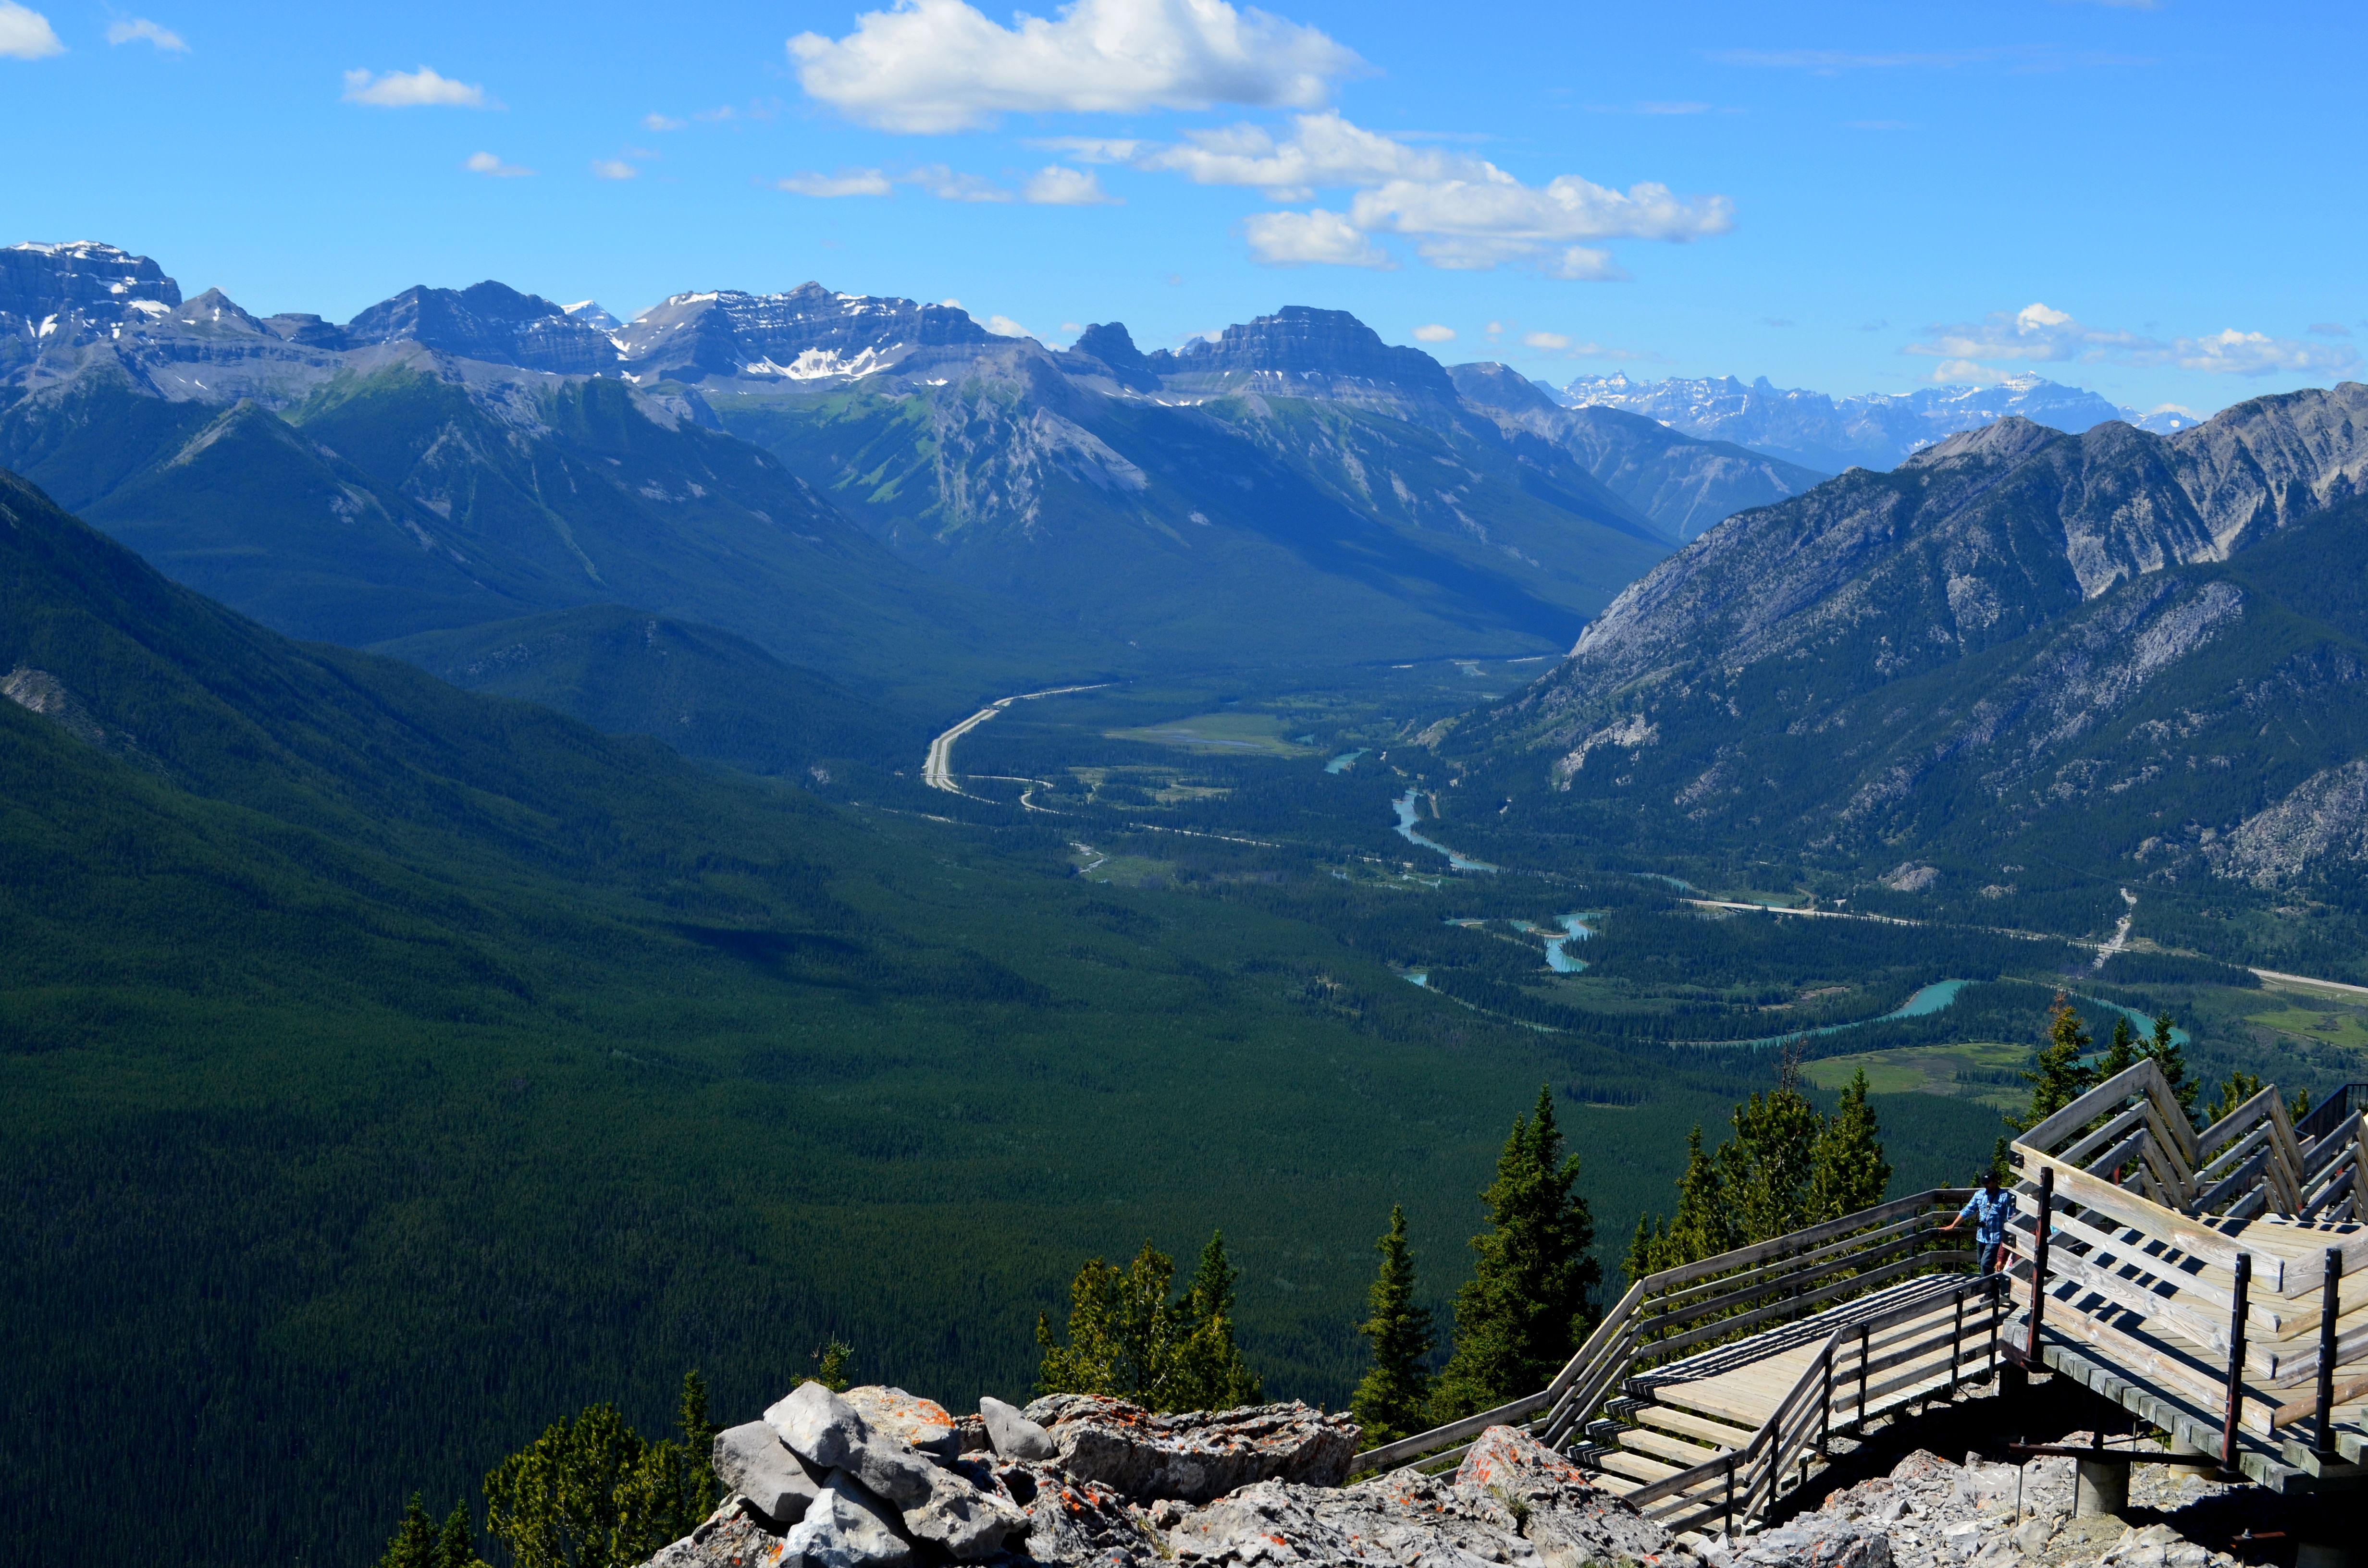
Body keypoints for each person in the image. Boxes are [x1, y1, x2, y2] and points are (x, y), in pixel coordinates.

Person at [1944, 1169, 2015, 1283]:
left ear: (1995, 1181)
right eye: (1984, 1183)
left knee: (1986, 1264)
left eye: (1988, 1183)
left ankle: (1986, 1289)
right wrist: (1954, 1225)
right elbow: (1967, 1211)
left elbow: (2012, 1219)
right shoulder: (1980, 1195)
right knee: (1981, 1263)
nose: (1986, 1185)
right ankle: (1992, 1285)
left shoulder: (2004, 1197)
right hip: (1981, 1235)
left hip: (1996, 1237)